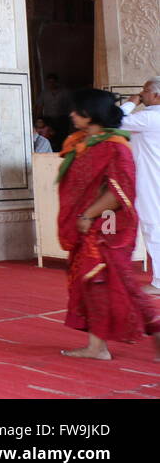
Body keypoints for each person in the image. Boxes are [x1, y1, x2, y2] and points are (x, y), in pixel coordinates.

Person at [56, 88, 160, 360]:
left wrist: (88, 215)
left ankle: (147, 330)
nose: (72, 114)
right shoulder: (86, 142)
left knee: (112, 281)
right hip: (89, 226)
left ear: (91, 115)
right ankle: (98, 345)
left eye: (77, 110)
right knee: (96, 283)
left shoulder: (114, 147)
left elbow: (117, 193)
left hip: (108, 228)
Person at [119, 79, 160, 296]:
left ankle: (159, 282)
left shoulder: (149, 117)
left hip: (150, 179)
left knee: (153, 225)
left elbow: (115, 121)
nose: (141, 93)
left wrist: (130, 102)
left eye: (145, 91)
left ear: (156, 96)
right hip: (154, 176)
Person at [38, 73, 74, 148]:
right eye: (49, 82)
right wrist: (39, 118)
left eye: (53, 82)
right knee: (50, 138)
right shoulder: (44, 93)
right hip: (49, 119)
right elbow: (40, 106)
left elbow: (70, 105)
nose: (51, 84)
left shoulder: (65, 92)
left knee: (62, 137)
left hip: (62, 119)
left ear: (57, 82)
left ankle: (62, 152)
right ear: (47, 83)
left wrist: (70, 119)